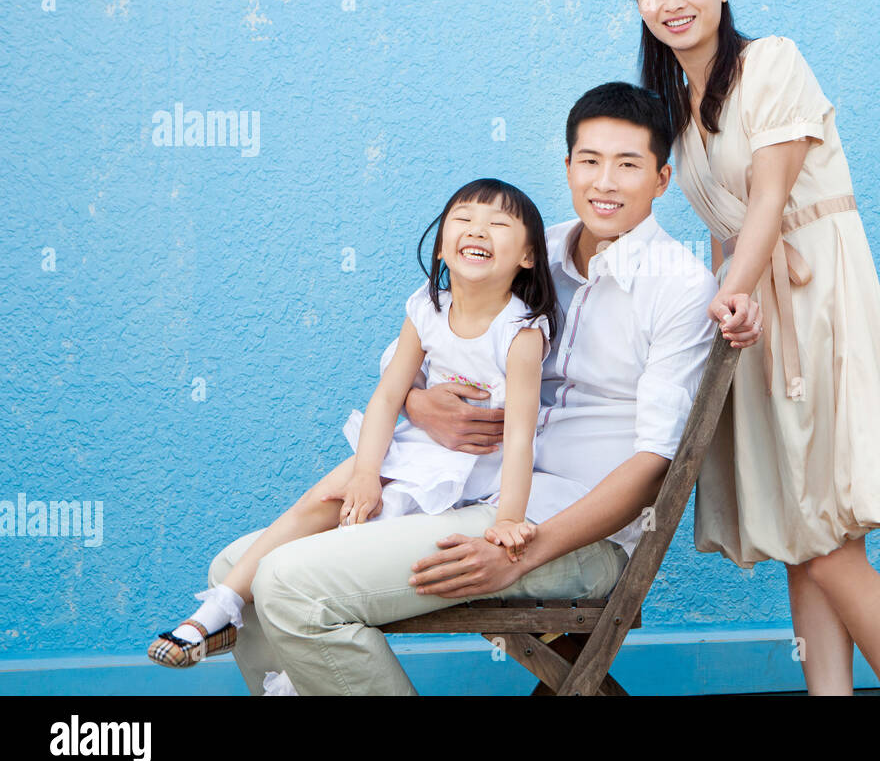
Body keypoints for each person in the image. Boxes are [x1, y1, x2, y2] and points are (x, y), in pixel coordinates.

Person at [201, 82, 761, 694]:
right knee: (235, 568)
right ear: (567, 167)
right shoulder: (529, 250)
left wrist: (525, 548)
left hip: (565, 529)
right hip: (464, 488)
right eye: (590, 161)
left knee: (287, 583)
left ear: (660, 179)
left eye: (628, 165)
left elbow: (656, 462)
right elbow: (415, 348)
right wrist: (423, 405)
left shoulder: (677, 286)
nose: (605, 182)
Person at [623, 0, 880, 695]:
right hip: (753, 317)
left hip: (817, 300)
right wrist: (727, 310)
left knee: (829, 537)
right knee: (801, 536)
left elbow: (769, 202)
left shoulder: (771, 61)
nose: (672, 0)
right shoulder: (675, 109)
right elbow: (727, 232)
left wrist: (732, 291)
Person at [147, 178, 558, 670]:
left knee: (336, 545)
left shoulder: (521, 332)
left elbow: (519, 437)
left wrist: (509, 518)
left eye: (498, 224)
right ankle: (217, 611)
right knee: (329, 495)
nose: (478, 230)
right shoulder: (427, 308)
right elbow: (388, 395)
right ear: (443, 246)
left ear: (529, 256)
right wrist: (366, 471)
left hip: (473, 466)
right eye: (464, 219)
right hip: (420, 445)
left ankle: (261, 647)